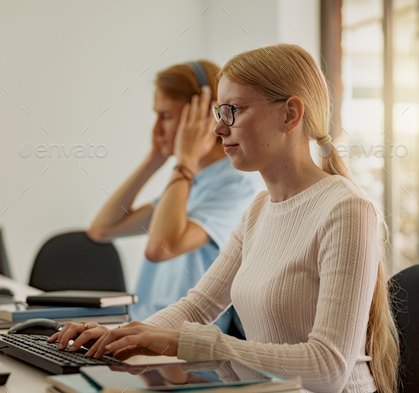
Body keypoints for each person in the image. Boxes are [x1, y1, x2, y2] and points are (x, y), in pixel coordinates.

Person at [50, 44, 400, 393]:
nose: (218, 129)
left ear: (290, 114)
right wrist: (120, 338)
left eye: (233, 111)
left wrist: (193, 345)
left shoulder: (347, 210)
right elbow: (198, 306)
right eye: (219, 112)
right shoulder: (259, 210)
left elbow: (327, 370)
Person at [85, 60, 263, 335]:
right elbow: (101, 230)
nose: (156, 128)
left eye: (165, 117)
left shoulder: (236, 185)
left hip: (183, 346)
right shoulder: (187, 182)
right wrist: (154, 159)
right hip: (142, 330)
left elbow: (162, 248)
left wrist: (185, 160)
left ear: (205, 116)